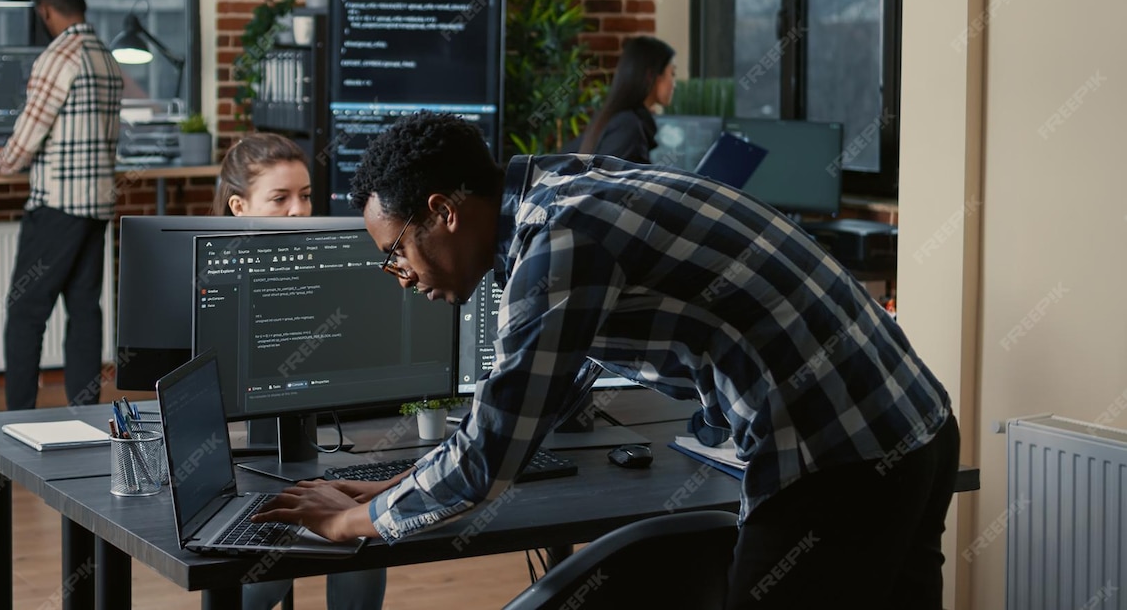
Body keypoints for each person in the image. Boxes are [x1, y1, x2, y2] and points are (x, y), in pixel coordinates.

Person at [255, 111, 959, 610]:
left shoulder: (560, 239)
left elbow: (488, 459)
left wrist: (354, 521)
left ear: (443, 212)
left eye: (394, 251)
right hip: (913, 423)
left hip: (837, 455)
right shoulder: (566, 190)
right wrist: (391, 488)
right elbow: (552, 387)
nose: (398, 274)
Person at [215, 132, 388, 610]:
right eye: (280, 198)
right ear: (238, 206)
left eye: (306, 196)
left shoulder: (334, 269)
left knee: (365, 538)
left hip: (319, 455)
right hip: (245, 464)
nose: (299, 210)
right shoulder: (217, 285)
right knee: (266, 556)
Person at [0, 0, 123, 411]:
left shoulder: (58, 56)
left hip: (57, 206)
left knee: (26, 314)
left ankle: (15, 420)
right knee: (84, 310)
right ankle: (87, 413)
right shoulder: (104, 57)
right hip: (95, 207)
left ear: (46, 11)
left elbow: (25, 141)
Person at [567, 35, 676, 163]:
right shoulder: (628, 127)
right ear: (650, 75)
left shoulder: (615, 119)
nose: (674, 84)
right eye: (672, 73)